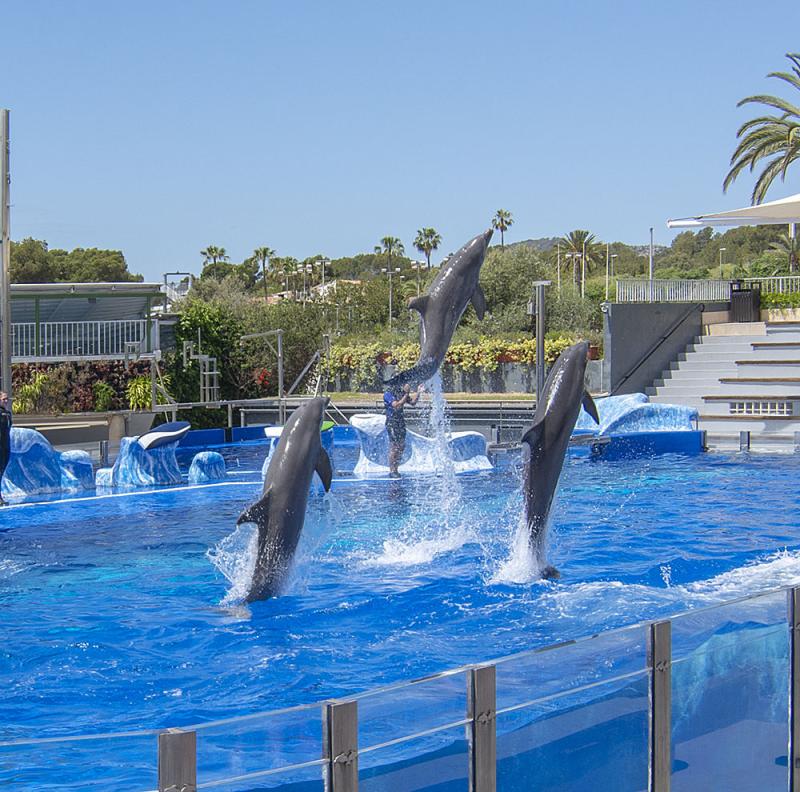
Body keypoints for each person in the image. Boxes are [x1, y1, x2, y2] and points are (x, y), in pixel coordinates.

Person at [384, 382, 422, 477]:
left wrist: (418, 392)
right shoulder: (388, 394)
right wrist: (406, 393)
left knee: (401, 446)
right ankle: (392, 470)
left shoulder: (400, 393)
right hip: (392, 422)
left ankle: (396, 468)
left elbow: (413, 403)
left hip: (400, 422)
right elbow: (397, 405)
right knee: (394, 446)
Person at [0, 391, 10, 506]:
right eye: (4, 399)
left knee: (1, 472)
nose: (6, 401)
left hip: (6, 446)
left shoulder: (7, 414)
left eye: (7, 399)